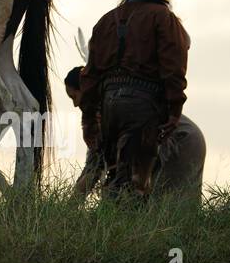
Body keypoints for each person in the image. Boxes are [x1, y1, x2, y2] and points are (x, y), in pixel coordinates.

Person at [77, 0, 192, 199]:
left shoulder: (105, 21)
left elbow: (90, 75)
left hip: (109, 107)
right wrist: (174, 111)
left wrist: (89, 120)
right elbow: (174, 69)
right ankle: (127, 233)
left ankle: (110, 230)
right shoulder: (163, 18)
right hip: (143, 105)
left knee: (116, 176)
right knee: (135, 184)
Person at [65, 66, 205, 202]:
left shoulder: (108, 109)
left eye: (74, 96)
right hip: (183, 138)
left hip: (182, 140)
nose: (75, 105)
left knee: (165, 210)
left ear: (85, 90)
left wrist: (68, 211)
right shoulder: (108, 105)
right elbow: (95, 166)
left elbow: (93, 171)